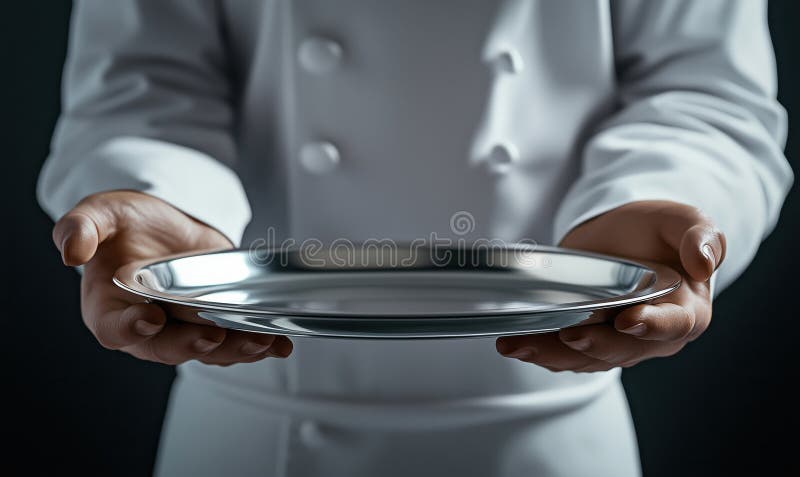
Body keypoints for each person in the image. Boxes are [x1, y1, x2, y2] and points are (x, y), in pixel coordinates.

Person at [38, 1, 792, 476]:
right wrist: (161, 201)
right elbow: (147, 82)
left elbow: (702, 87)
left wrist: (662, 202)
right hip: (256, 429)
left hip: (549, 427)